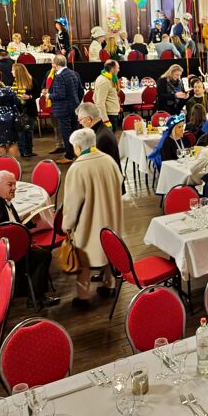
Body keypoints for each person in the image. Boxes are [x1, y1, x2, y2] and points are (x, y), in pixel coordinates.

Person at [0, 170, 58, 307]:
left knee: (39, 254)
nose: (14, 188)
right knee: (43, 256)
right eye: (10, 184)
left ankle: (27, 292)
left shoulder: (1, 199)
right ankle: (35, 299)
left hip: (8, 249)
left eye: (14, 184)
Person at [61, 128, 124, 309]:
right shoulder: (108, 160)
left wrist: (68, 224)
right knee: (109, 250)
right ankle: (109, 285)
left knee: (84, 257)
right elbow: (119, 181)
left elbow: (72, 201)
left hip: (89, 220)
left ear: (78, 147)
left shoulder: (78, 167)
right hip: (111, 215)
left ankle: (84, 296)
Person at [48, 54, 82, 163]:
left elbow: (60, 95)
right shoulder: (74, 73)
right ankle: (77, 153)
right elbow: (81, 91)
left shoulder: (59, 76)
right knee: (75, 131)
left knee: (66, 133)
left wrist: (49, 96)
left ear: (56, 64)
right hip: (75, 107)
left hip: (63, 109)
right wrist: (76, 101)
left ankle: (68, 156)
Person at [76, 102, 120, 171]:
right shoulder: (101, 130)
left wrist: (80, 154)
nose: (80, 123)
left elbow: (93, 166)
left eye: (80, 119)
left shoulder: (102, 137)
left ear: (89, 119)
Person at [12, 63, 36, 158]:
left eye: (13, 70)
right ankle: (22, 151)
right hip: (17, 110)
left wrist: (29, 96)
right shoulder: (12, 81)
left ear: (18, 72)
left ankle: (29, 150)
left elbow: (37, 94)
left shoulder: (31, 81)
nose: (11, 72)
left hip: (29, 109)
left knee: (29, 131)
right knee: (20, 132)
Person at [93, 59, 122, 129]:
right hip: (109, 116)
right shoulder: (104, 81)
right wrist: (105, 120)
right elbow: (99, 102)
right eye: (118, 68)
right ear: (112, 69)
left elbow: (94, 97)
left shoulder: (111, 78)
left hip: (112, 113)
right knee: (108, 139)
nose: (119, 70)